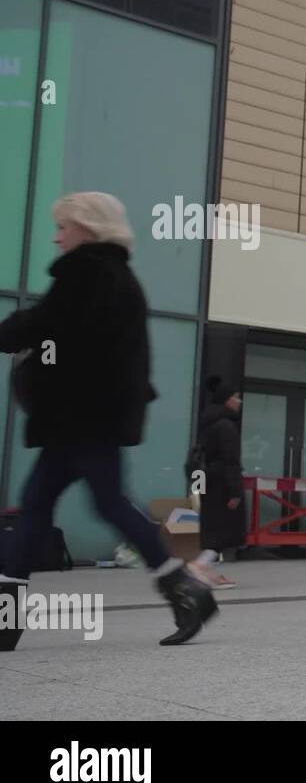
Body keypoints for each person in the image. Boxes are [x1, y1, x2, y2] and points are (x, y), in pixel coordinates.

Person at [0, 192, 217, 650]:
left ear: (89, 228)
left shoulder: (88, 271)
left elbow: (44, 323)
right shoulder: (117, 277)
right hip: (86, 417)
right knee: (48, 506)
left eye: (64, 227)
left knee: (92, 504)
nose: (58, 237)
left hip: (83, 418)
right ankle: (6, 618)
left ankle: (186, 589)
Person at [190, 377, 245, 590]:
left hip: (209, 481)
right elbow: (231, 460)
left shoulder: (209, 423)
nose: (239, 402)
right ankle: (198, 567)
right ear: (226, 400)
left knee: (215, 528)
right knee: (224, 530)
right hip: (223, 484)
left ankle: (205, 570)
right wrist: (236, 492)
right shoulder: (226, 426)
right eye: (236, 398)